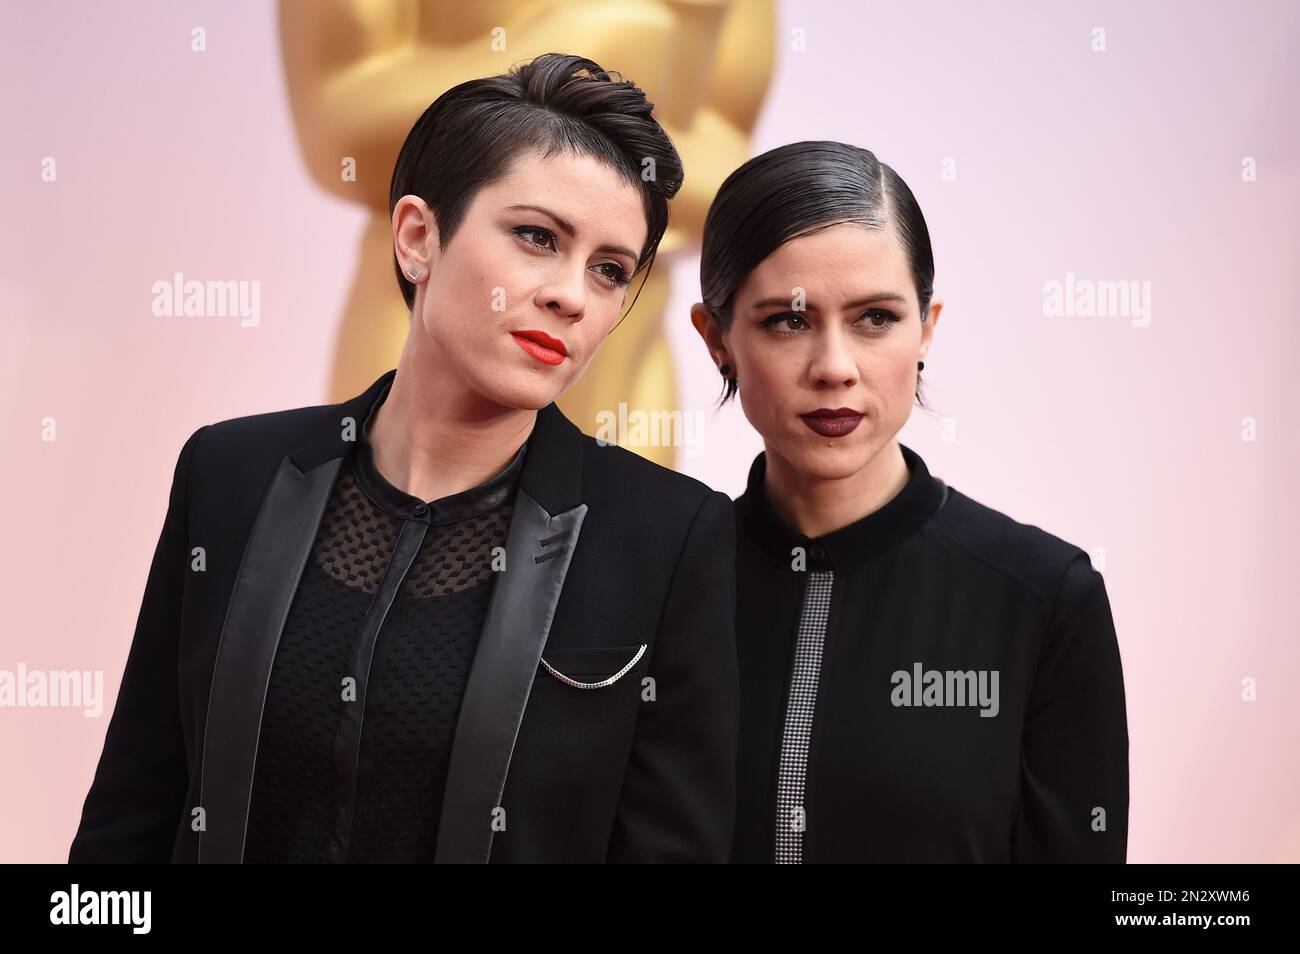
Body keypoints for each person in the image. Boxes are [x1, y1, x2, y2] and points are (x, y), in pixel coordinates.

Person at [69, 53, 738, 864]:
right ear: (418, 237)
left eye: (608, 271)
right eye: (536, 237)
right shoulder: (228, 474)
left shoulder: (670, 538)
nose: (572, 295)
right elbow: (129, 820)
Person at [690, 140, 1129, 863]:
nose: (835, 368)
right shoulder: (664, 581)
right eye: (787, 321)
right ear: (718, 341)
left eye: (875, 319)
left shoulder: (1044, 599)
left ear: (926, 327)